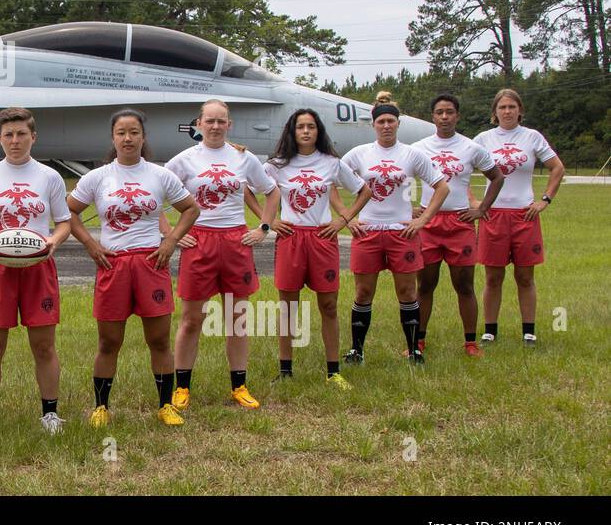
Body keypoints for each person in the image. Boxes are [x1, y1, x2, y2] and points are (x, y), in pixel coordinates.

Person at [67, 109, 198, 427]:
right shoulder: (98, 177)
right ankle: (101, 407)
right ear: (113, 138)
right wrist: (91, 244)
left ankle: (165, 405)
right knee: (109, 341)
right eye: (122, 132)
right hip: (114, 264)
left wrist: (170, 241)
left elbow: (191, 209)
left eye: (134, 132)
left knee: (159, 340)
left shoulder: (159, 174)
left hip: (151, 263)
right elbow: (67, 212)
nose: (128, 138)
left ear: (143, 136)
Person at [166, 99, 281, 410]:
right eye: (210, 121)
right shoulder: (185, 159)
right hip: (199, 239)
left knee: (236, 319)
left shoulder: (244, 158)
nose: (215, 126)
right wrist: (172, 233)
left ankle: (239, 385)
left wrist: (264, 227)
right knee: (192, 320)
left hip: (235, 240)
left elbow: (272, 191)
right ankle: (182, 387)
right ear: (199, 125)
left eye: (221, 121)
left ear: (229, 125)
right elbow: (153, 191)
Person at [0, 107, 72, 437]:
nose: (15, 140)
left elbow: (64, 222)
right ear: (0, 139)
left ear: (33, 137)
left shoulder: (49, 177)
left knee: (43, 345)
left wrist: (53, 240)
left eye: (21, 134)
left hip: (38, 267)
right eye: (8, 135)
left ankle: (50, 414)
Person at [264, 108, 372, 388]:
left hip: (322, 237)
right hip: (291, 238)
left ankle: (333, 371)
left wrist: (343, 220)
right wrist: (270, 221)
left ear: (318, 131)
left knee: (328, 305)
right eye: (300, 127)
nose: (306, 131)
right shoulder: (277, 164)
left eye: (311, 126)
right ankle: (285, 370)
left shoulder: (331, 163)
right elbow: (252, 188)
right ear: (292, 131)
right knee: (288, 306)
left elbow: (364, 190)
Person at [340, 104, 448, 366]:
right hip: (368, 231)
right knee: (363, 292)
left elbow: (442, 187)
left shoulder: (412, 154)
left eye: (391, 121)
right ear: (373, 125)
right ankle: (357, 350)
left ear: (398, 123)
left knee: (408, 291)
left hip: (402, 232)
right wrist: (348, 217)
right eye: (381, 122)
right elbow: (331, 181)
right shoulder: (359, 154)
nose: (386, 126)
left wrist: (423, 220)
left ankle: (414, 351)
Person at [411, 94, 504, 356]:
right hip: (429, 223)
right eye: (439, 112)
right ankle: (418, 341)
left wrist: (482, 209)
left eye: (449, 112)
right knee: (425, 285)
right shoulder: (419, 147)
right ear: (432, 116)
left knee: (464, 285)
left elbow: (497, 177)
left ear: (457, 116)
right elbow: (396, 177)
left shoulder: (470, 148)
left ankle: (470, 342)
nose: (444, 117)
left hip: (460, 222)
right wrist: (411, 208)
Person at [472, 89, 565, 346]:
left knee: (525, 277)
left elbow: (557, 168)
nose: (507, 111)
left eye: (512, 106)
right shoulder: (483, 139)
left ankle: (529, 331)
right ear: (495, 112)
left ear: (520, 110)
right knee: (493, 277)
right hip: (494, 215)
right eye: (502, 107)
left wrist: (544, 200)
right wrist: (475, 202)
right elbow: (459, 170)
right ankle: (490, 330)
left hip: (525, 214)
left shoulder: (532, 137)